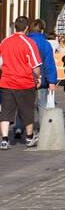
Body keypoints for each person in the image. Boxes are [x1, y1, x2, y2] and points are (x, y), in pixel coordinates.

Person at [0, 16, 42, 148]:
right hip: (25, 82)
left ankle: (5, 139)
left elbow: (1, 63)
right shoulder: (29, 43)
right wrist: (38, 77)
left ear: (14, 27)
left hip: (7, 82)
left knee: (6, 111)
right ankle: (29, 138)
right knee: (27, 110)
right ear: (26, 28)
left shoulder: (4, 42)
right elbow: (35, 66)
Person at [25, 19, 57, 130]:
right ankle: (43, 128)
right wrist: (52, 81)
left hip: (25, 78)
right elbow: (49, 64)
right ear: (42, 30)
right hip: (41, 79)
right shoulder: (45, 44)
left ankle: (19, 127)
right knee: (42, 104)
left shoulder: (25, 42)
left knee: (24, 104)